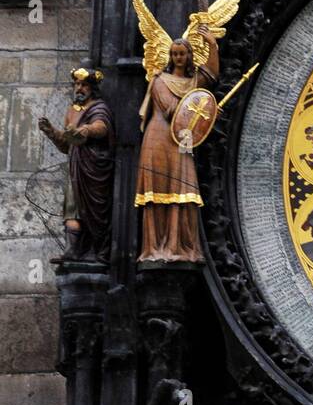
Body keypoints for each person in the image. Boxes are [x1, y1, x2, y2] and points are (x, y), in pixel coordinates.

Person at [134, 30, 218, 263]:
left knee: (185, 188)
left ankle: (181, 246)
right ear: (170, 57)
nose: (178, 58)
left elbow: (210, 75)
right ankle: (156, 248)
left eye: (182, 54)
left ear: (189, 56)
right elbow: (173, 110)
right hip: (160, 137)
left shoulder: (192, 82)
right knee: (159, 189)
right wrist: (204, 110)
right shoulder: (160, 81)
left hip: (182, 140)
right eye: (174, 54)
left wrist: (211, 44)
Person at [38, 67, 115, 262]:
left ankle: (98, 251)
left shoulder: (99, 107)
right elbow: (66, 144)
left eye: (84, 85)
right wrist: (51, 132)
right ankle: (72, 251)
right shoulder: (71, 111)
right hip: (75, 165)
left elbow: (102, 127)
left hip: (93, 167)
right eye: (77, 84)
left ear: (92, 88)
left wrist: (87, 130)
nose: (79, 89)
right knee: (72, 208)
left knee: (94, 210)